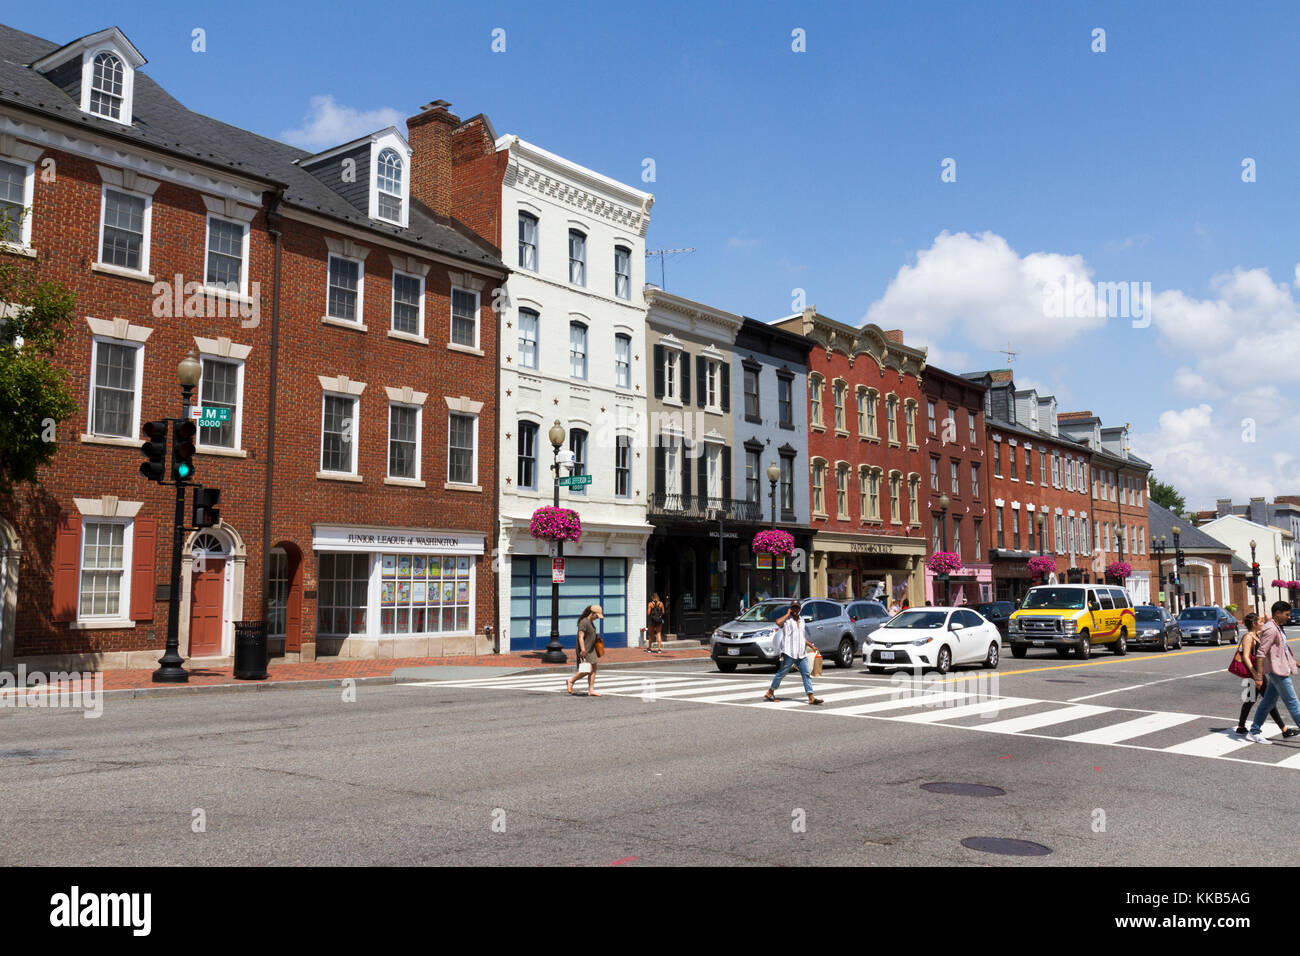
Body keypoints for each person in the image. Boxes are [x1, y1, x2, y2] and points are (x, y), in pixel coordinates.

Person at [1245, 601, 1300, 743]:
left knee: (1268, 702)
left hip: (1280, 669)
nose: (1289, 617)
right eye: (1287, 614)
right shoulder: (1271, 629)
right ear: (1278, 613)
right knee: (1293, 703)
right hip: (1278, 672)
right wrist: (1258, 676)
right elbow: (1261, 653)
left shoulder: (1276, 626)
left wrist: (1295, 663)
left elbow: (1281, 651)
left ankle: (1254, 731)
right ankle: (1254, 731)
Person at [1235, 612, 1294, 736]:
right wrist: (1255, 674)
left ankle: (1241, 726)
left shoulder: (1257, 635)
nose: (1263, 624)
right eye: (1260, 622)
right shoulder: (1248, 637)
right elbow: (1245, 657)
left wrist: (1269, 619)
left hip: (1258, 672)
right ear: (1254, 623)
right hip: (1254, 673)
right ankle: (1284, 730)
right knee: (1268, 701)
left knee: (1251, 700)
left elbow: (1271, 627)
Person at [762, 602, 823, 705]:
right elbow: (778, 622)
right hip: (789, 652)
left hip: (801, 653)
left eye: (797, 608)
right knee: (782, 673)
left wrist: (811, 645)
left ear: (799, 609)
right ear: (790, 608)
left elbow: (801, 637)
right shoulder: (787, 620)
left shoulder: (802, 621)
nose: (795, 610)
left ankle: (811, 697)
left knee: (806, 674)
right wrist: (787, 614)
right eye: (793, 608)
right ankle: (770, 691)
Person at [566, 605, 604, 697]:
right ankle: (571, 681)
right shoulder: (584, 622)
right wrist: (583, 649)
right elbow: (580, 636)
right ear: (593, 613)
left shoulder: (591, 622)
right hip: (585, 649)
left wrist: (596, 637)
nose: (597, 618)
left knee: (594, 668)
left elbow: (589, 634)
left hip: (591, 649)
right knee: (587, 670)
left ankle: (591, 690)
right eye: (597, 616)